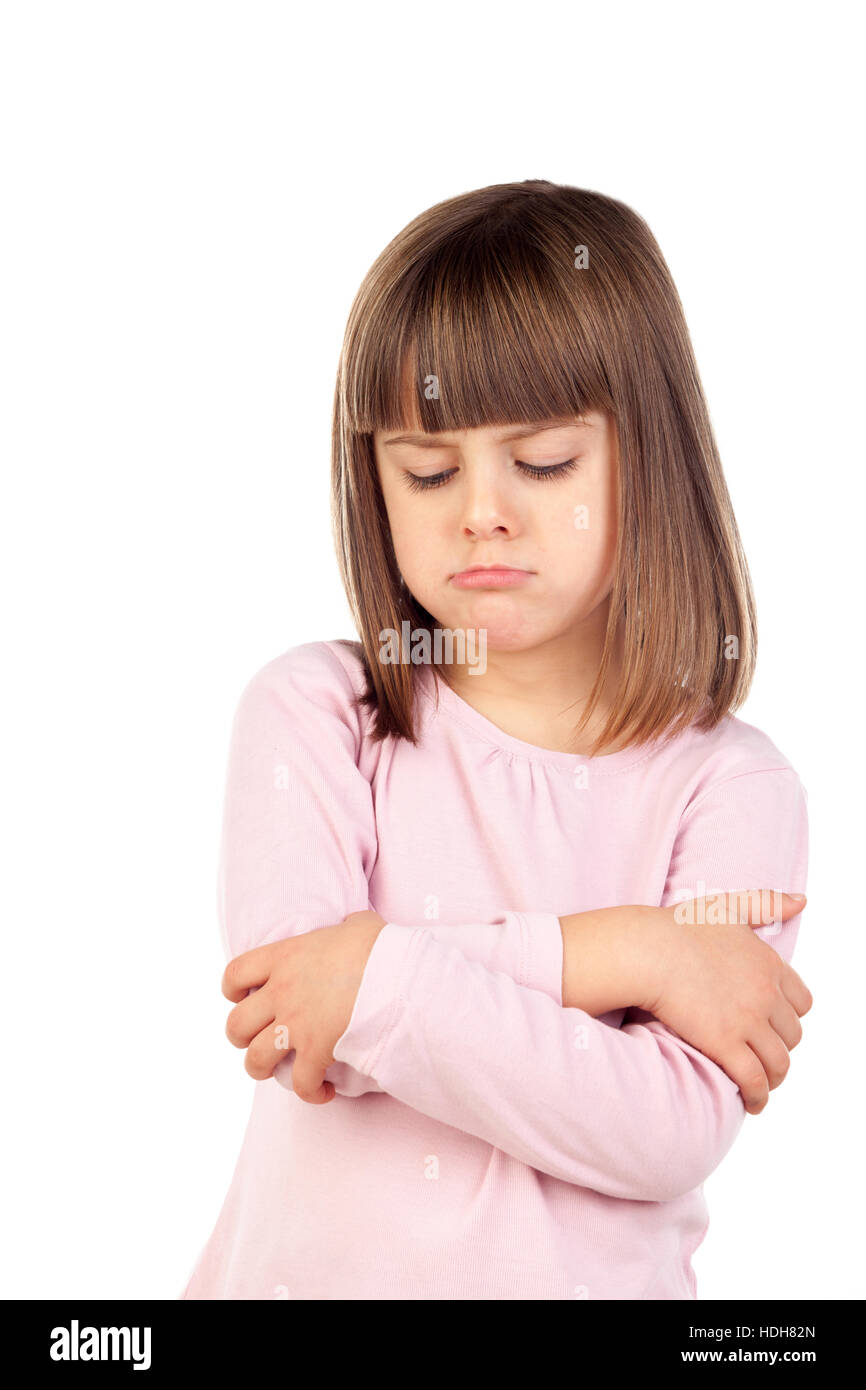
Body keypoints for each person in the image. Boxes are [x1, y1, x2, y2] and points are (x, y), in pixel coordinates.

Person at [180, 179, 811, 1300]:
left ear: (648, 459)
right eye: (427, 470)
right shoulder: (316, 713)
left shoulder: (731, 786)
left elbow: (659, 1131)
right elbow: (294, 1018)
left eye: (542, 463)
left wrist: (374, 969)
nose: (479, 511)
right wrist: (626, 953)